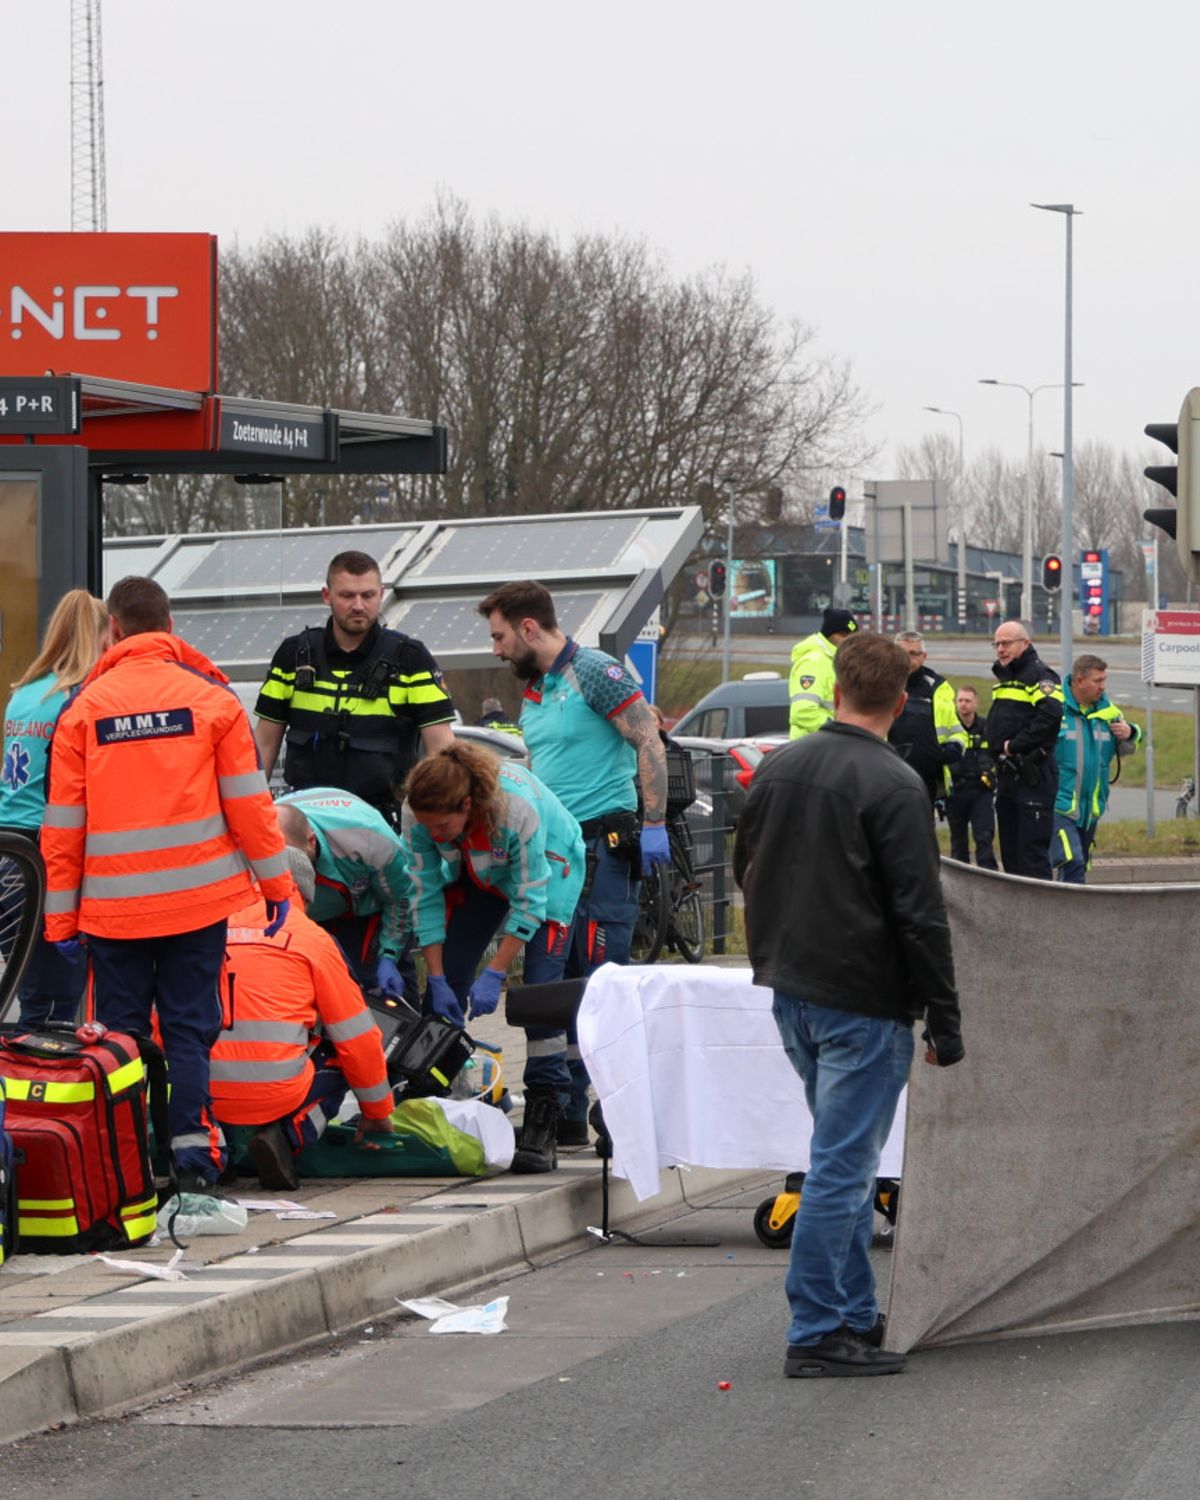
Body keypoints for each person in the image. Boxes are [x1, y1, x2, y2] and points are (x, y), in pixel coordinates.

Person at [733, 631, 963, 1378]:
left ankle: (855, 1314)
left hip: (794, 991)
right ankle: (817, 1329)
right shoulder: (895, 783)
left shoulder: (778, 766)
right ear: (902, 701)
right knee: (842, 1167)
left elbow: (745, 869)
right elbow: (921, 914)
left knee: (848, 1161)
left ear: (835, 689)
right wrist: (944, 1015)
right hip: (862, 999)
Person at [41, 576, 292, 1193]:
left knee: (121, 1039)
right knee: (188, 1031)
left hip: (114, 911)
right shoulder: (211, 700)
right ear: (170, 627)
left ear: (114, 630)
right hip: (197, 905)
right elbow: (251, 806)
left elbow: (63, 828)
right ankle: (193, 1163)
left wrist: (60, 921)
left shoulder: (83, 710)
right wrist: (277, 887)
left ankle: (130, 1169)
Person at [477, 580, 669, 1145]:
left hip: (603, 848)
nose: (496, 649)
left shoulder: (595, 672)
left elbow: (648, 740)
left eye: (500, 636)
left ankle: (616, 1108)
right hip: (556, 856)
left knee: (602, 980)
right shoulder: (537, 689)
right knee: (553, 981)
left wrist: (654, 823)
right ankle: (562, 1104)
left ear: (528, 628)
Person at [402, 743, 585, 1173]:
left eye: (441, 826)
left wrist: (497, 972)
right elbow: (425, 896)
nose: (433, 834)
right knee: (451, 971)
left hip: (550, 866)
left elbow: (529, 903)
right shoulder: (420, 813)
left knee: (540, 991)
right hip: (480, 866)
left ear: (467, 805)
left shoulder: (517, 810)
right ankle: (433, 1095)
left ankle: (546, 1110)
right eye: (427, 826)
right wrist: (438, 978)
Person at [210, 847, 394, 1191]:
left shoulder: (210, 930)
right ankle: (289, 1133)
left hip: (205, 1091)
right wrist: (377, 1112)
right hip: (278, 1092)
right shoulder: (311, 938)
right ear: (304, 895)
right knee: (340, 1053)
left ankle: (214, 1148)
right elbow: (358, 1037)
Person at [252, 549, 456, 821]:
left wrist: (439, 823)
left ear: (381, 594)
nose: (358, 605)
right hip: (305, 821)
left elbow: (443, 752)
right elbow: (264, 746)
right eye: (347, 595)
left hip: (385, 823)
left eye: (368, 595)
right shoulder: (293, 656)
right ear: (327, 596)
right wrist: (250, 815)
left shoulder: (411, 660)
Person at [0, 590, 108, 1026]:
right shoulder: (80, 698)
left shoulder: (24, 693)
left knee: (31, 995)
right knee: (57, 1010)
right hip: (48, 859)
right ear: (98, 636)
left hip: (9, 856)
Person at [275, 787, 413, 1003]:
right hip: (297, 915)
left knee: (372, 985)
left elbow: (401, 898)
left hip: (365, 904)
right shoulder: (250, 845)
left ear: (311, 841)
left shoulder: (370, 838)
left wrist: (389, 953)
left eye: (298, 862)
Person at [985, 622, 1064, 880]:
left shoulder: (1040, 675)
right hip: (1009, 775)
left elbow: (1051, 716)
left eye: (1006, 643)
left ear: (1025, 643)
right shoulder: (1007, 677)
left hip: (1033, 774)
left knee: (1032, 856)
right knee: (1011, 855)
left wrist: (1015, 745)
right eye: (997, 644)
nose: (1000, 649)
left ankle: (1039, 906)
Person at [1052, 654, 1141, 884]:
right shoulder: (1055, 708)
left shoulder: (1109, 713)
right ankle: (1074, 907)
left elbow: (1128, 749)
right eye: (1097, 680)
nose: (1103, 686)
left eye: (1104, 680)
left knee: (1079, 867)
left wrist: (1131, 732)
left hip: (1091, 810)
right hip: (1059, 806)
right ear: (1079, 681)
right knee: (1071, 862)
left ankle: (1064, 906)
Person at [888, 631, 966, 807]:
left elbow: (957, 732)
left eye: (914, 654)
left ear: (924, 657)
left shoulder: (937, 688)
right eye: (902, 653)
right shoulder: (879, 683)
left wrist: (950, 750)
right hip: (887, 778)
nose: (908, 659)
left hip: (924, 781)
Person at [946, 685, 997, 870]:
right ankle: (959, 882)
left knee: (984, 838)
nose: (963, 704)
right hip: (956, 791)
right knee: (958, 842)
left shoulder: (987, 727)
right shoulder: (949, 728)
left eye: (967, 701)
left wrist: (990, 773)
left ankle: (989, 880)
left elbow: (996, 754)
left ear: (976, 703)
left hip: (981, 790)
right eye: (960, 700)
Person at [788, 607, 858, 740]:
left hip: (829, 744)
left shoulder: (838, 660)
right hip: (813, 746)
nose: (848, 640)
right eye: (843, 634)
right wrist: (842, 732)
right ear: (829, 634)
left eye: (852, 636)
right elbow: (803, 712)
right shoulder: (813, 663)